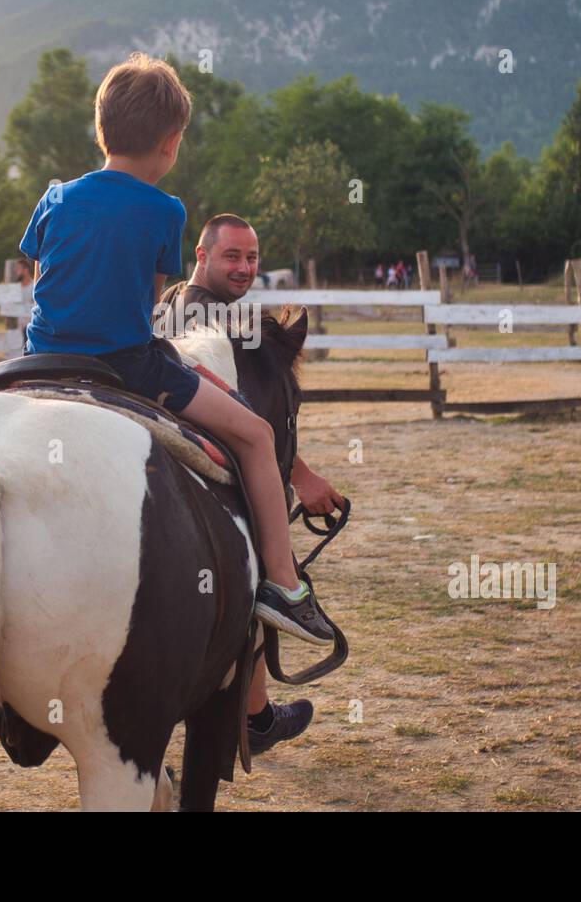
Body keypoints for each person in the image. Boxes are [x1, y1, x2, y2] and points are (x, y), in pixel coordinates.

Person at [19, 52, 333, 646]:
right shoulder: (167, 209)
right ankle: (286, 587)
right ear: (172, 142)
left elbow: (38, 277)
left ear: (100, 128)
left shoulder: (55, 195)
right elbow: (150, 305)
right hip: (123, 363)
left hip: (37, 359)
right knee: (257, 435)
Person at [160, 213, 347, 753]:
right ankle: (253, 716)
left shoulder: (177, 300)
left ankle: (255, 713)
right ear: (201, 255)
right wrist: (301, 475)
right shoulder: (216, 322)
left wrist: (300, 471)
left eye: (251, 257)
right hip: (206, 467)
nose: (244, 268)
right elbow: (248, 417)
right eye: (231, 256)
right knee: (262, 574)